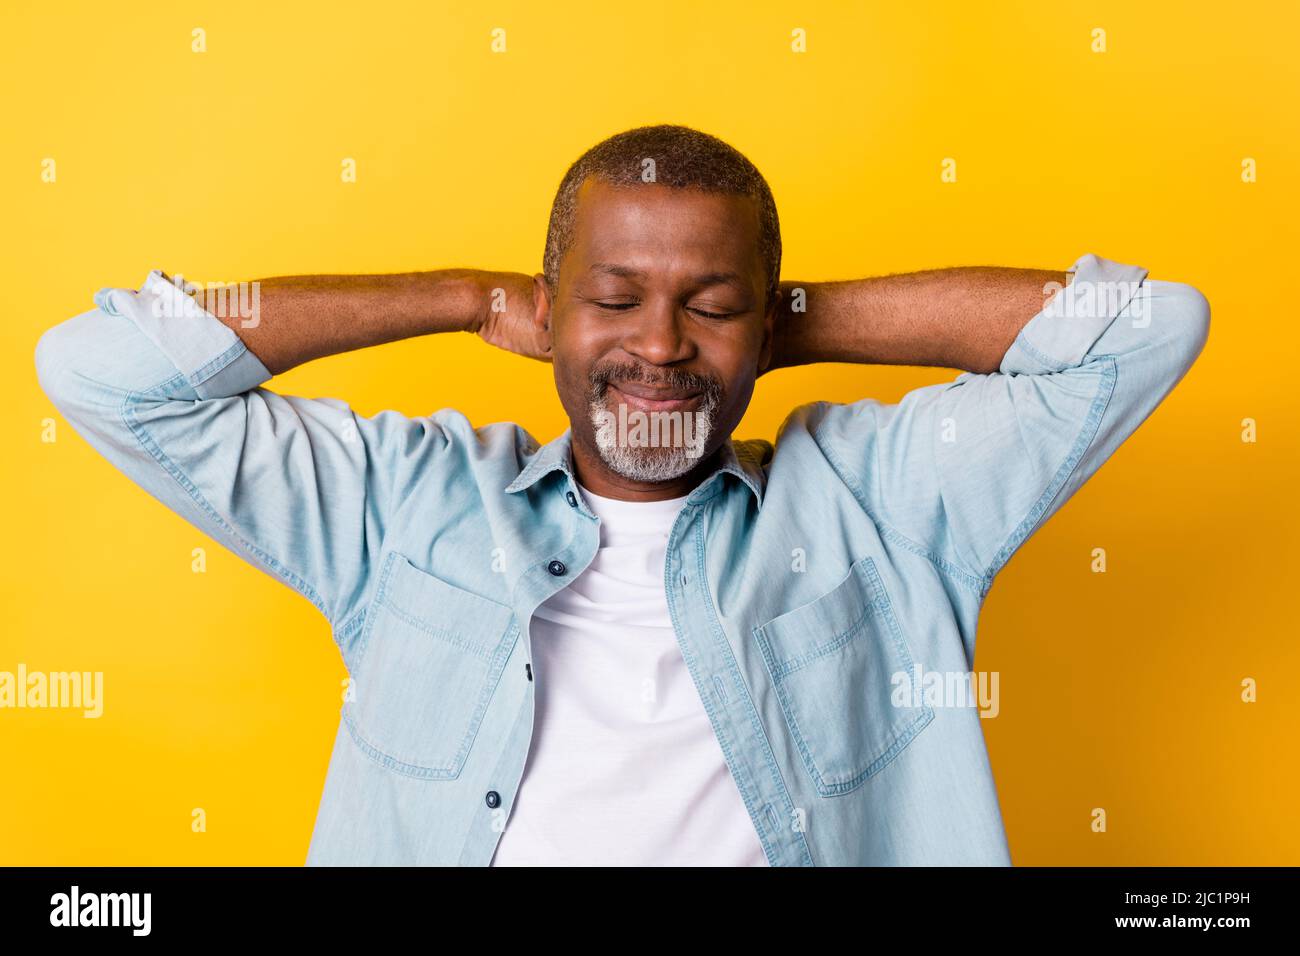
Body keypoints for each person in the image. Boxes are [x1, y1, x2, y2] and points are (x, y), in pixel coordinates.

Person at [33, 124, 1210, 866]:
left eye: (707, 302)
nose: (658, 345)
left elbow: (1148, 329)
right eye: (614, 297)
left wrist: (776, 317)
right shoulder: (412, 505)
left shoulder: (883, 501)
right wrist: (454, 293)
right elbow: (103, 372)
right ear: (547, 308)